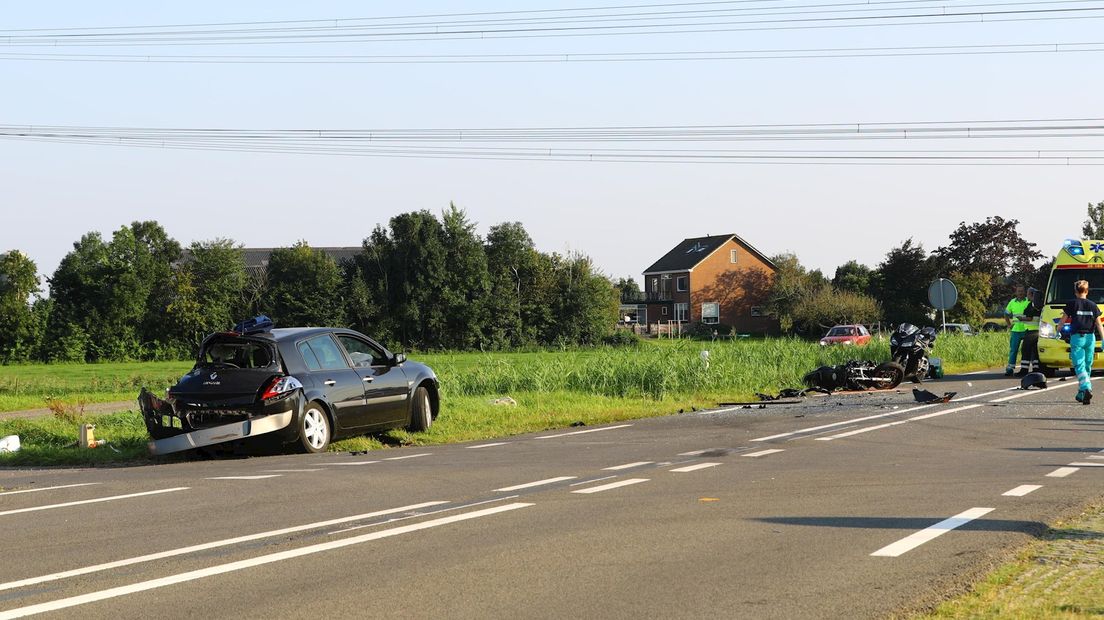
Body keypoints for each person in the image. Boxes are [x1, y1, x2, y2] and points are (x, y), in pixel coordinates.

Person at [1063, 279, 1104, 405]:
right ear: (1087, 291)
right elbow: (1099, 324)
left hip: (1077, 338)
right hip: (1090, 338)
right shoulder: (1093, 305)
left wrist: (1058, 331)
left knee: (1079, 365)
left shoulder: (1071, 304)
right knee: (1087, 365)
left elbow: (1062, 321)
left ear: (1075, 291)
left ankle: (1086, 387)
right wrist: (1103, 339)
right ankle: (1082, 394)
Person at [1004, 284, 1032, 376]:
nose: (1020, 293)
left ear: (1025, 292)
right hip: (1015, 329)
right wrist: (1009, 324)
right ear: (1016, 292)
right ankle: (1010, 368)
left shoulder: (1028, 301)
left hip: (1026, 329)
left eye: (1022, 291)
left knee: (1028, 350)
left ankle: (1029, 368)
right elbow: (1006, 314)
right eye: (1018, 291)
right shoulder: (1012, 302)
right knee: (1013, 349)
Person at [1018, 287, 1041, 376]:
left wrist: (1021, 318)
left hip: (1031, 332)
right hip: (1038, 332)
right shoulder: (1039, 305)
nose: (1026, 295)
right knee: (1035, 351)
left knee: (1025, 350)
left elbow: (1030, 318)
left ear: (1031, 295)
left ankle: (1024, 370)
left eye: (1027, 294)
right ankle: (1036, 368)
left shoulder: (1032, 305)